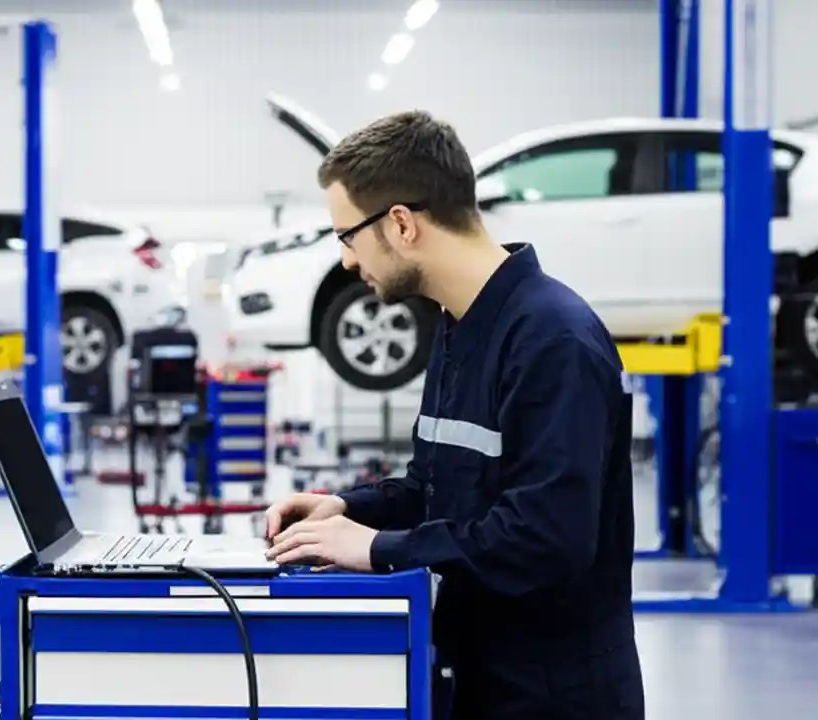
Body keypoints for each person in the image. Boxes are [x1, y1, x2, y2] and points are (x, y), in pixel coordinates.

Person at [263, 110, 645, 720]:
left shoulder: (553, 341)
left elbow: (546, 538)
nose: (345, 261)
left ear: (401, 225)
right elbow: (435, 487)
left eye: (347, 236)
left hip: (552, 695)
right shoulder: (459, 325)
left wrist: (379, 548)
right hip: (477, 673)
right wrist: (346, 511)